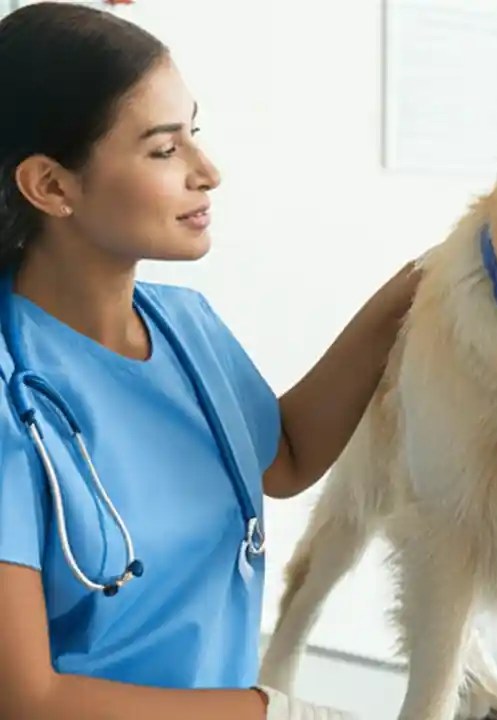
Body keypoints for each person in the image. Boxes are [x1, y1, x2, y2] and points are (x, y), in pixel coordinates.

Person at [0, 5, 414, 718]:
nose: (208, 172)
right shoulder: (13, 393)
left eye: (195, 133)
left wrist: (414, 291)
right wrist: (266, 711)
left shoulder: (185, 327)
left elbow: (282, 457)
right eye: (164, 151)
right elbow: (26, 698)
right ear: (52, 186)